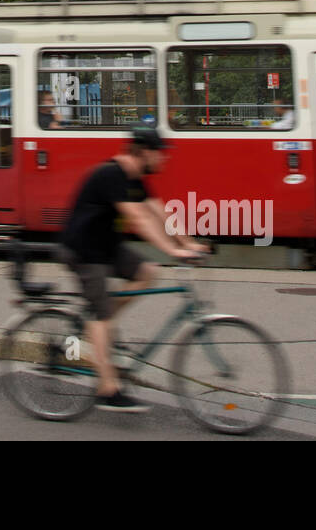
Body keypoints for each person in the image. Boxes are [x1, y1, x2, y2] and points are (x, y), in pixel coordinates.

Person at [58, 127, 207, 412]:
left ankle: (99, 322)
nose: (164, 160)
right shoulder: (111, 175)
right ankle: (108, 389)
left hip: (108, 247)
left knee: (147, 272)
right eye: (161, 154)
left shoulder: (136, 178)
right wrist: (172, 250)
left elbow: (159, 211)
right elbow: (138, 217)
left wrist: (190, 242)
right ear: (144, 152)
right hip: (84, 251)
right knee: (101, 316)